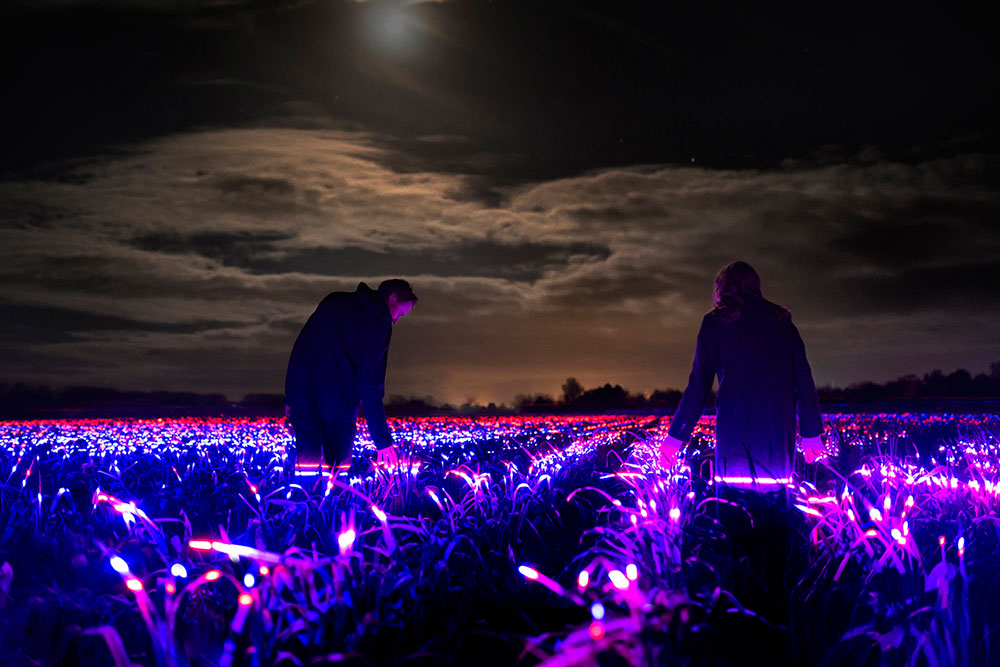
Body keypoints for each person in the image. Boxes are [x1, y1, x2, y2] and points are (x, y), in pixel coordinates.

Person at [659, 262, 825, 484]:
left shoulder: (716, 322)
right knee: (775, 497)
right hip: (777, 433)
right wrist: (811, 434)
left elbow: (699, 384)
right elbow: (803, 380)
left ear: (723, 288)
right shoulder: (782, 321)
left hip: (734, 432)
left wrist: (675, 438)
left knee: (733, 500)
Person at [284, 279, 417, 475]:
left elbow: (300, 348)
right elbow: (371, 382)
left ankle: (305, 496)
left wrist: (290, 396)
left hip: (304, 399)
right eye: (400, 313)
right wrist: (382, 440)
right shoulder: (378, 323)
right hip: (339, 406)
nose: (395, 320)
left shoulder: (333, 301)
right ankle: (335, 495)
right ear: (392, 298)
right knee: (337, 473)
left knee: (307, 469)